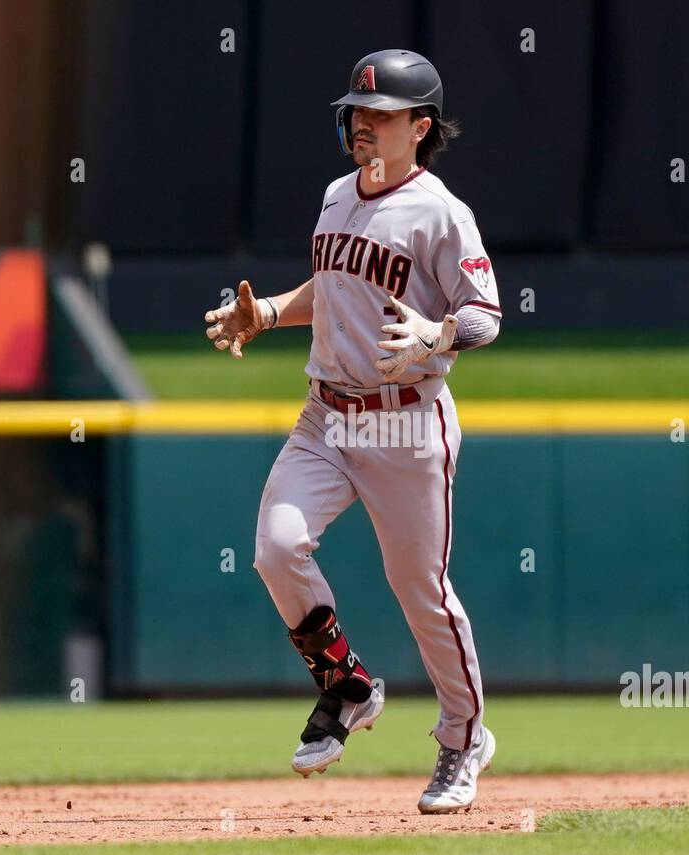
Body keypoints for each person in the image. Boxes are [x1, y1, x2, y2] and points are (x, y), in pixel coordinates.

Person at [204, 50, 503, 813]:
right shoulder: (338, 194)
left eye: (380, 114)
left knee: (419, 590)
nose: (361, 123)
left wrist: (439, 334)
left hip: (407, 423)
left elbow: (485, 314)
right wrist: (269, 311)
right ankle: (346, 684)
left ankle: (464, 738)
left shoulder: (441, 210)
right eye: (357, 111)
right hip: (325, 417)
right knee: (275, 547)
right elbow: (335, 284)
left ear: (419, 126)